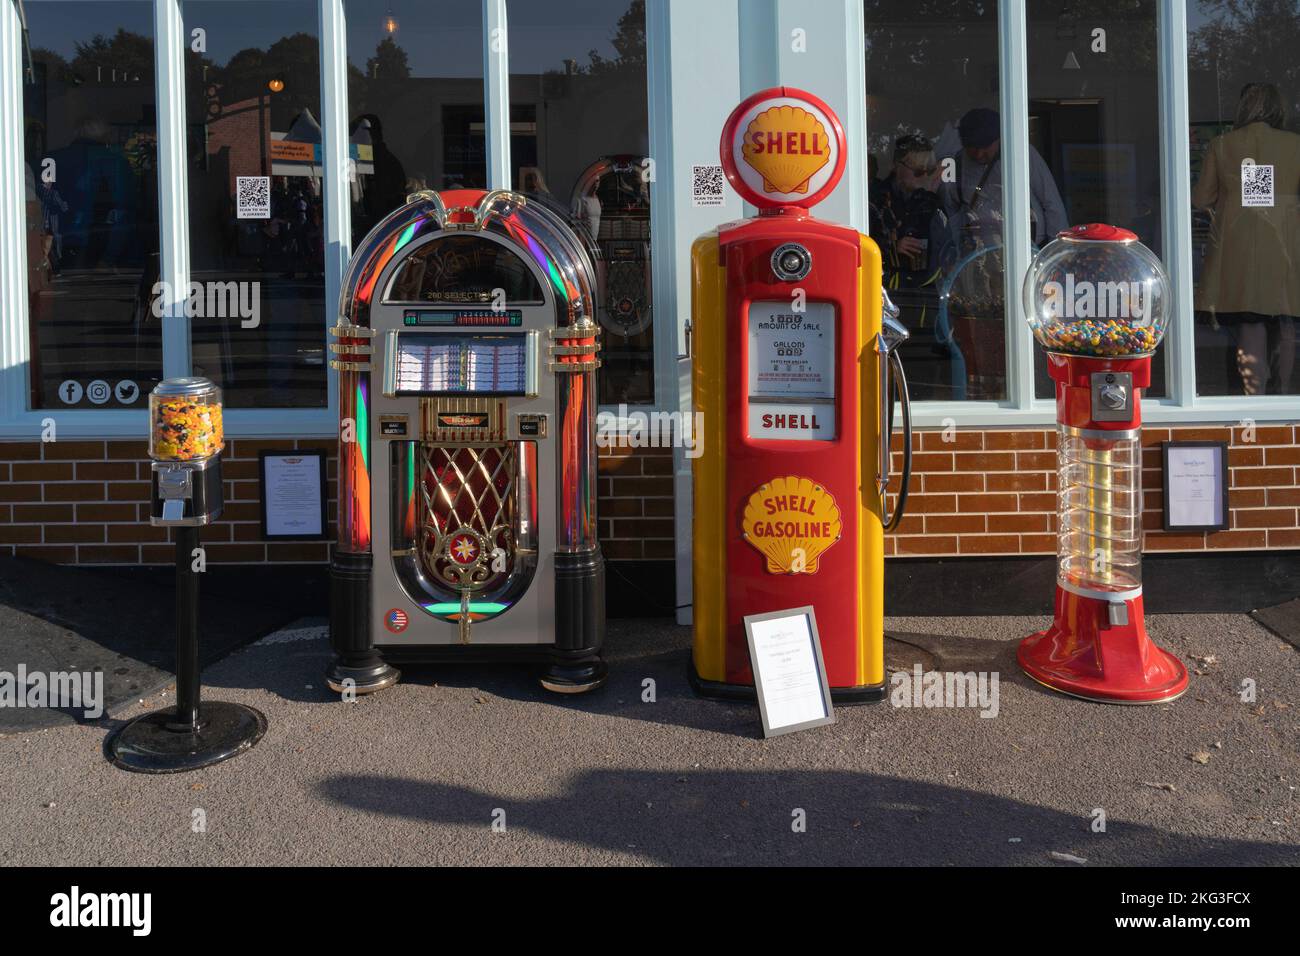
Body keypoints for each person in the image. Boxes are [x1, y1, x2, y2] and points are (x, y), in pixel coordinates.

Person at [1192, 82, 1299, 395]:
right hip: (1286, 242)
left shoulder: (1223, 145)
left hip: (1238, 245)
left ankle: (1255, 396)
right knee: (1285, 321)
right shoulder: (1294, 144)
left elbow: (1201, 199)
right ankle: (1283, 392)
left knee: (1251, 321)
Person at [940, 107, 1068, 247]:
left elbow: (1051, 202)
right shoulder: (957, 164)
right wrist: (956, 246)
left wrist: (1056, 249)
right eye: (973, 147)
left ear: (999, 139)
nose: (979, 154)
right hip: (978, 252)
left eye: (985, 146)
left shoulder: (1021, 154)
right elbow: (951, 210)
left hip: (1028, 249)